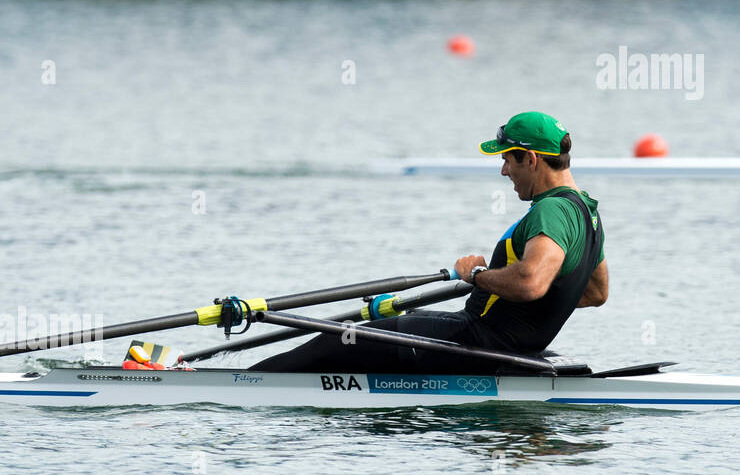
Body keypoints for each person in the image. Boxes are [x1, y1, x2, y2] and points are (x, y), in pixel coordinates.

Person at [250, 111, 607, 372]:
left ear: (530, 159)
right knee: (386, 326)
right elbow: (595, 293)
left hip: (476, 339)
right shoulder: (588, 212)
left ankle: (244, 383)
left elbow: (530, 282)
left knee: (337, 339)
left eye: (506, 160)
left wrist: (477, 274)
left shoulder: (551, 212)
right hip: (496, 341)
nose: (503, 171)